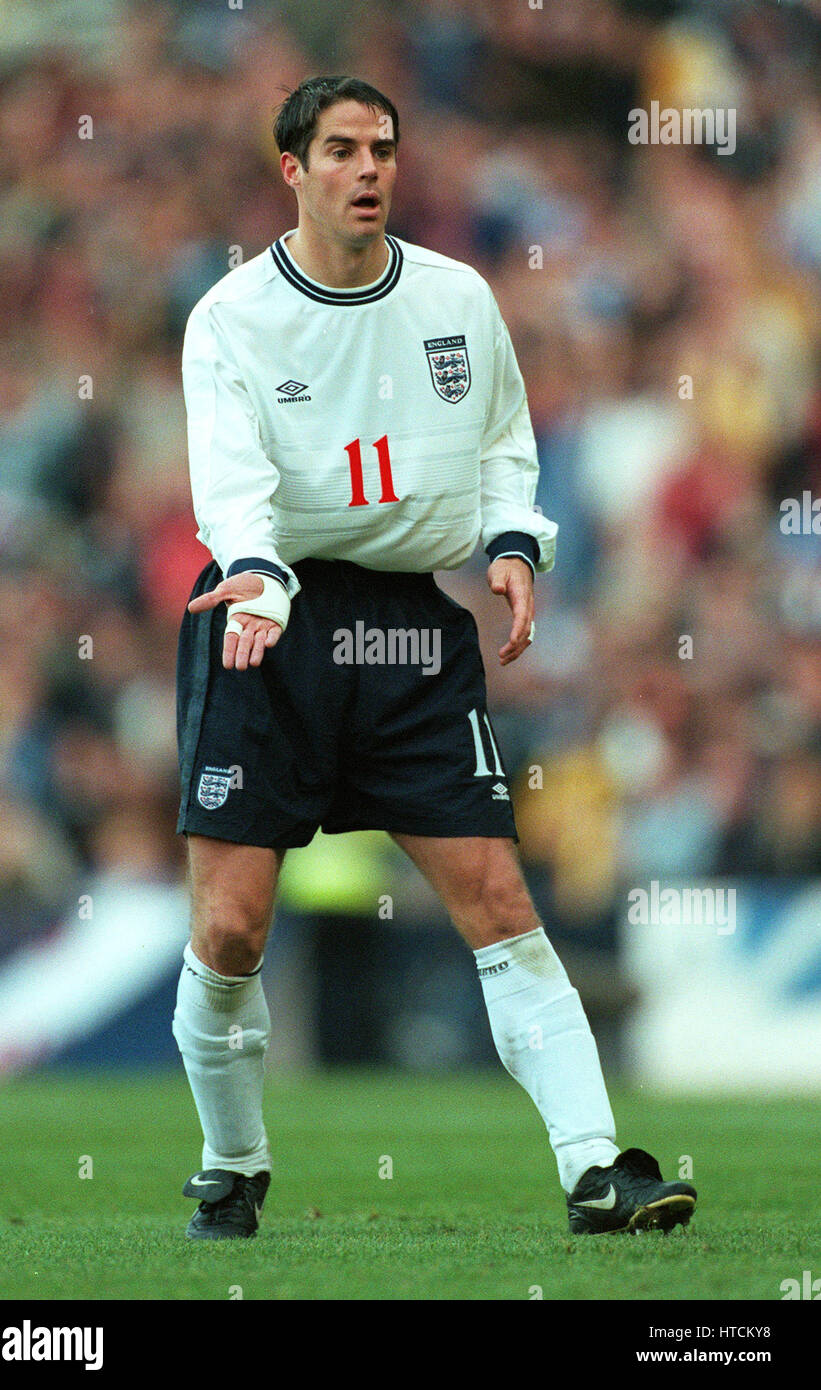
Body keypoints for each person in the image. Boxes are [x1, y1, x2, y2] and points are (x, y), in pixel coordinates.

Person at [172, 76, 697, 1240]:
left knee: (501, 899)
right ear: (292, 171)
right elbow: (229, 484)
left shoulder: (456, 298)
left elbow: (506, 444)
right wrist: (255, 576)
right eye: (343, 151)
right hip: (273, 621)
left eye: (384, 150)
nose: (369, 170)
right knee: (229, 930)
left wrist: (514, 541)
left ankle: (596, 1168)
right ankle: (230, 1160)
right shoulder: (230, 319)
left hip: (411, 634)